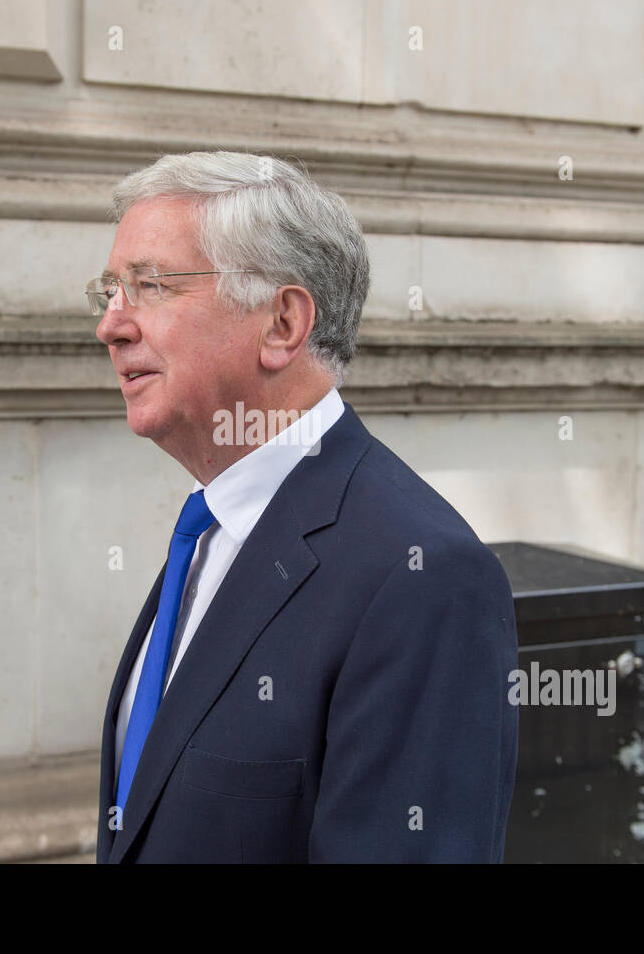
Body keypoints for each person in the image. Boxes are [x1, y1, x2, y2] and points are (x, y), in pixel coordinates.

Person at [89, 151, 518, 863]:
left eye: (151, 286)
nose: (111, 324)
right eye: (108, 291)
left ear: (283, 323)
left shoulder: (423, 575)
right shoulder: (209, 529)